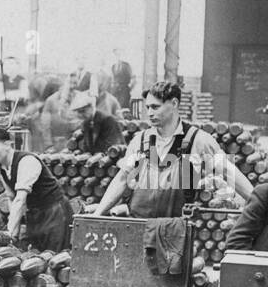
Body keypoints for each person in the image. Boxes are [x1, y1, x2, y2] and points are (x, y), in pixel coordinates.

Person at [93, 81, 253, 218]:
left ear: (174, 104)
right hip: (138, 226)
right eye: (147, 107)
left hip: (175, 231)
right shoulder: (140, 141)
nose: (149, 113)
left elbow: (228, 172)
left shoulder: (199, 140)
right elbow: (122, 180)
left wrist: (258, 201)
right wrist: (97, 214)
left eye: (155, 107)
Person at [0, 125, 71, 252]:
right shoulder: (1, 167)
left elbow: (20, 200)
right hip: (34, 214)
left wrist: (9, 231)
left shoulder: (27, 161)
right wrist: (14, 234)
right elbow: (11, 198)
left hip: (54, 212)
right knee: (35, 254)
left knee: (54, 255)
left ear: (7, 144)